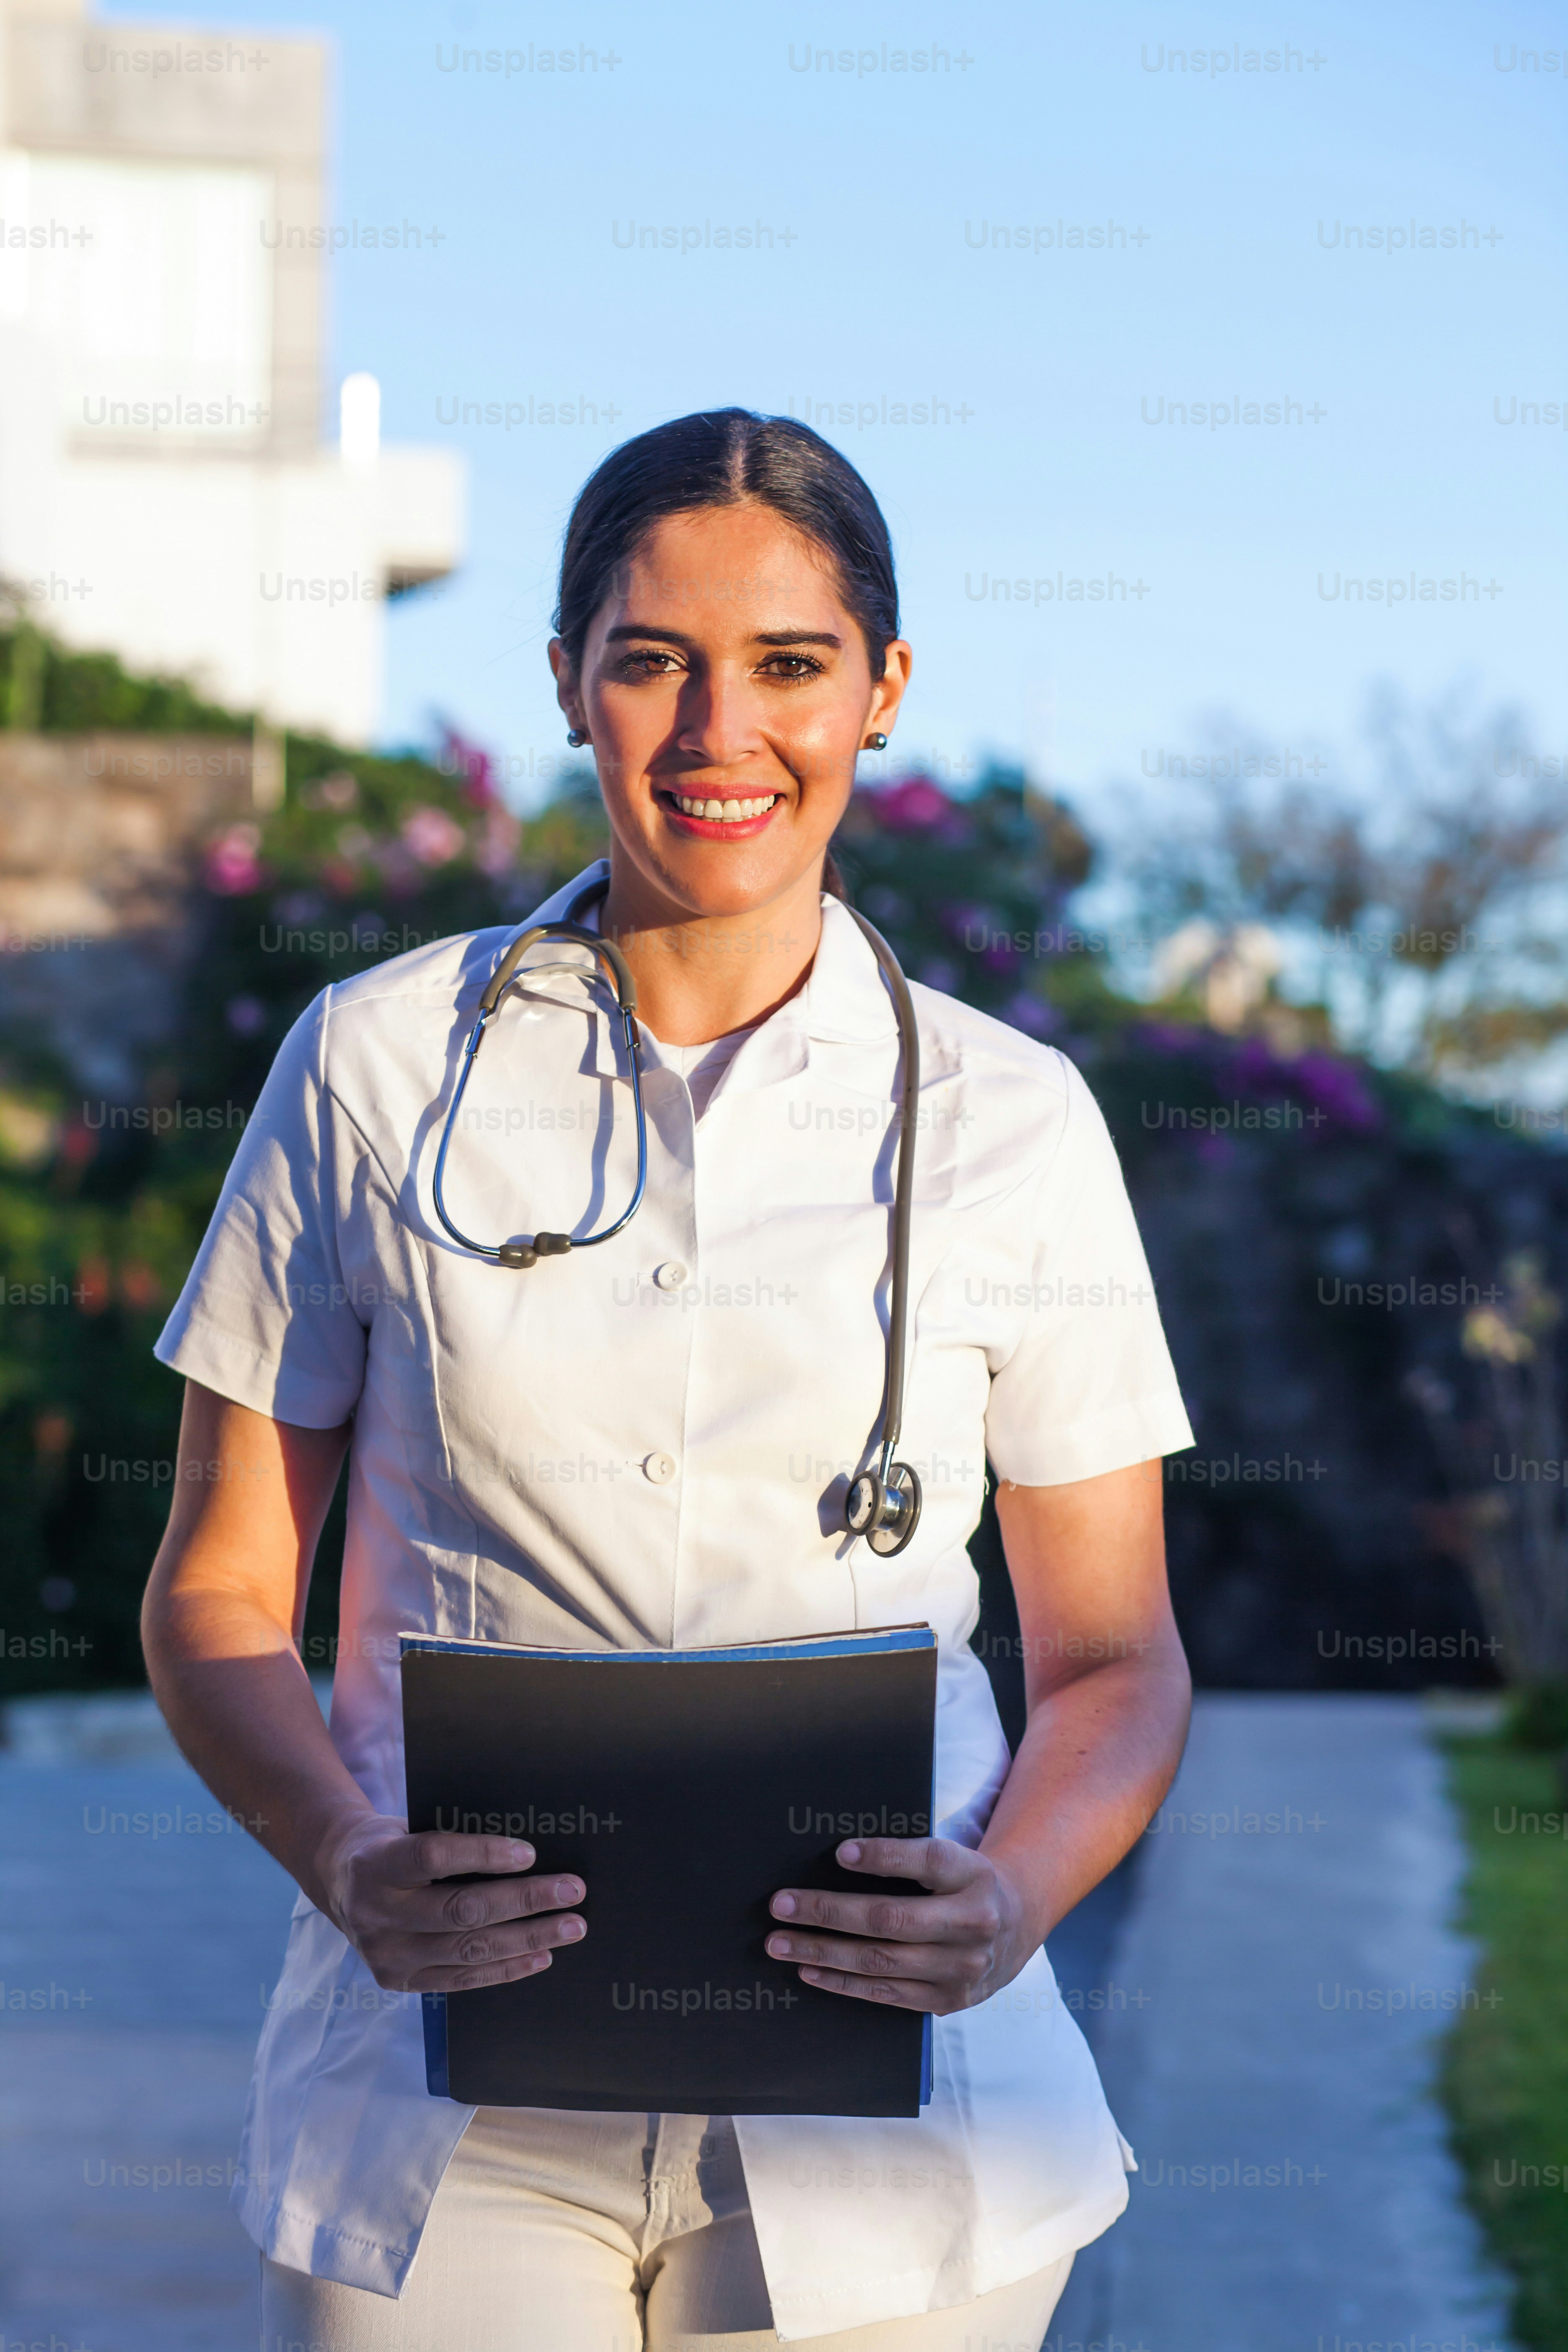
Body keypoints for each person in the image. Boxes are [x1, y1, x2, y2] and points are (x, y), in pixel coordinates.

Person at [141, 408, 1194, 2351]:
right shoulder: (376, 1068)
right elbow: (214, 1596)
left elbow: (1118, 1659)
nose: (723, 731)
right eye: (653, 660)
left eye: (790, 665)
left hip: (895, 2104)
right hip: (446, 2086)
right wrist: (347, 1861)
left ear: (880, 691)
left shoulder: (1014, 1123)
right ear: (568, 686)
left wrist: (1016, 1903)